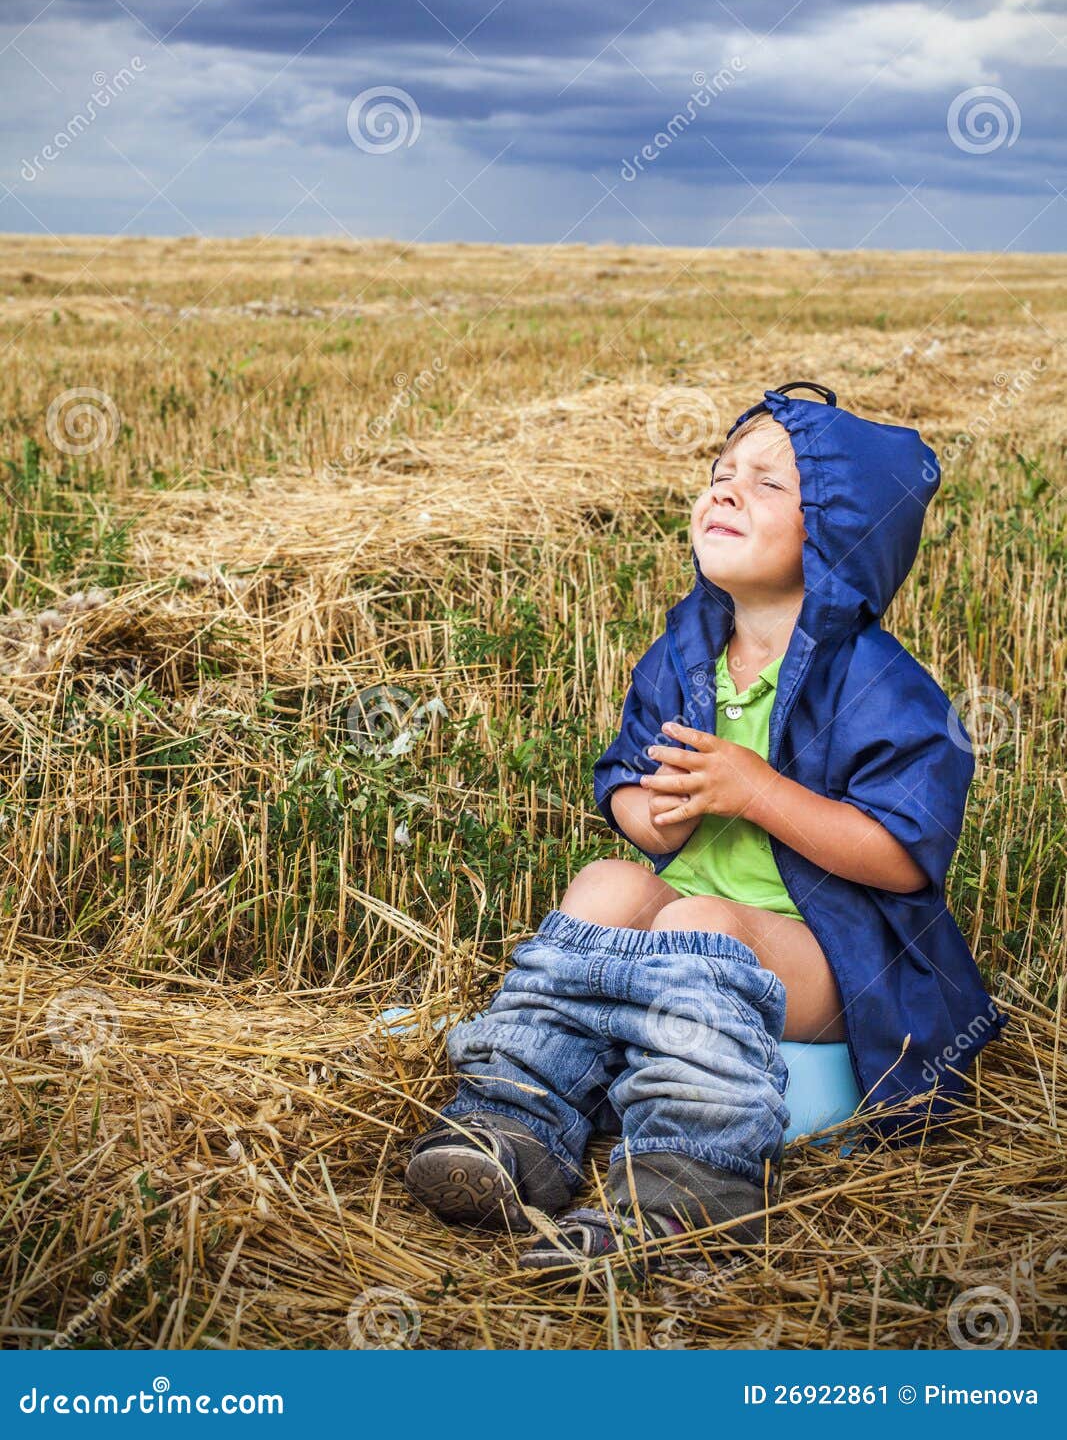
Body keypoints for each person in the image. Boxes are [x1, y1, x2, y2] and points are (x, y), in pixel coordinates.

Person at [403, 381, 1009, 1278]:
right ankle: (512, 1123)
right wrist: (652, 815)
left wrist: (757, 792)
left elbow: (901, 858)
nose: (725, 489)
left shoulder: (882, 685)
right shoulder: (684, 653)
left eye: (768, 485)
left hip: (836, 958)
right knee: (604, 885)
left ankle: (693, 1191)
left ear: (837, 534)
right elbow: (623, 780)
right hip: (694, 923)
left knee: (701, 926)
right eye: (721, 473)